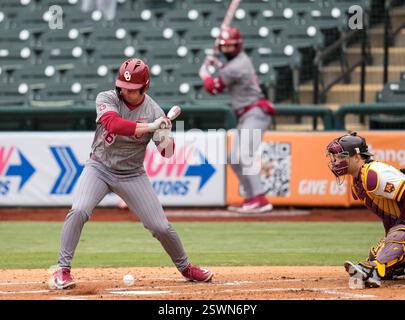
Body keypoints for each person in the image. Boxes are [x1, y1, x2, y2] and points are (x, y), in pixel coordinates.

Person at [50, 58, 213, 289]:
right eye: (122, 86)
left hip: (132, 174)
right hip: (99, 167)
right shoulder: (106, 98)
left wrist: (165, 131)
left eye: (132, 89)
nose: (125, 91)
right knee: (79, 210)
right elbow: (113, 124)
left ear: (145, 87)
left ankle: (186, 268)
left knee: (160, 227)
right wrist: (149, 127)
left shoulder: (154, 111)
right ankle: (62, 270)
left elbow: (167, 153)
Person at [198, 27, 275, 214]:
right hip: (247, 114)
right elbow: (227, 70)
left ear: (238, 46)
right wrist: (216, 64)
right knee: (233, 158)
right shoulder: (239, 61)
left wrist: (205, 72)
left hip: (256, 112)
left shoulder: (236, 66)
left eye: (229, 47)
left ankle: (260, 199)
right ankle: (251, 198)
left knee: (243, 155)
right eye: (224, 47)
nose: (227, 51)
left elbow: (213, 88)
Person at [326, 132, 405, 288]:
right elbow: (388, 216)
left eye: (341, 156)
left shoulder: (373, 174)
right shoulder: (358, 183)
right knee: (378, 253)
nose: (336, 161)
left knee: (400, 233)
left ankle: (374, 270)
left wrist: (400, 227)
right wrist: (390, 238)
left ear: (357, 157)